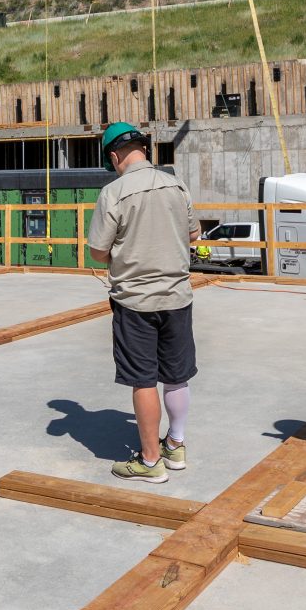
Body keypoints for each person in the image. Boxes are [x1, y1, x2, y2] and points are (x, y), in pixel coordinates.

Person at [86, 122, 200, 484]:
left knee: (144, 380)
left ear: (114, 156)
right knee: (177, 375)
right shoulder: (176, 184)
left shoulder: (114, 193)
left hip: (135, 301)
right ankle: (175, 445)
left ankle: (151, 462)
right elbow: (194, 233)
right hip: (178, 296)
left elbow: (98, 252)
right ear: (144, 149)